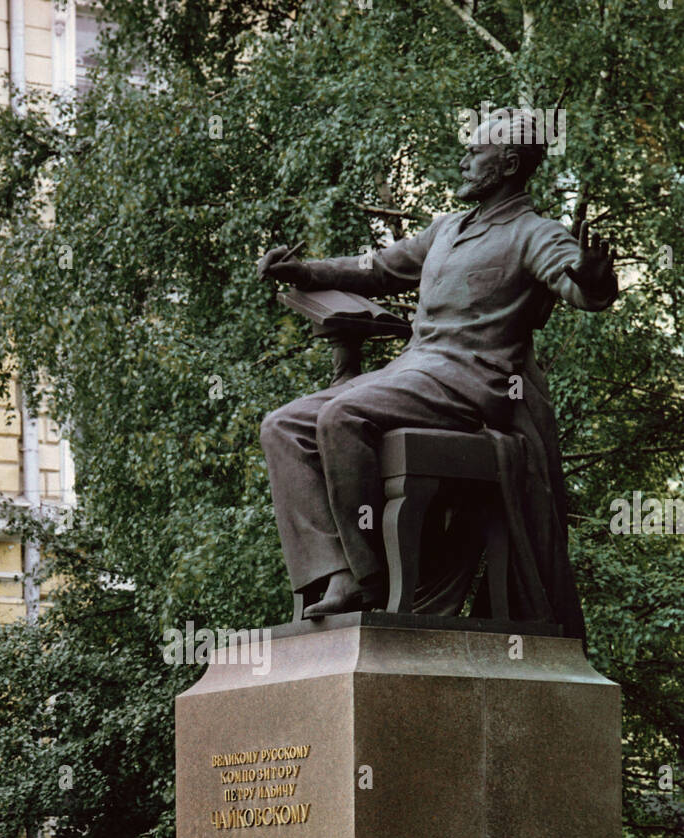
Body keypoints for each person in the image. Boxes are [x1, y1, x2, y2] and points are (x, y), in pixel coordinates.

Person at [258, 107, 618, 621]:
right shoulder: (445, 229)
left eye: (477, 152)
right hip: (413, 369)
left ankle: (372, 581)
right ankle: (334, 572)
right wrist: (307, 271)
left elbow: (578, 286)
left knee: (342, 416)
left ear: (510, 163)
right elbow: (377, 268)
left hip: (475, 378)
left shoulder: (535, 233)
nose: (465, 161)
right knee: (283, 425)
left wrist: (594, 278)